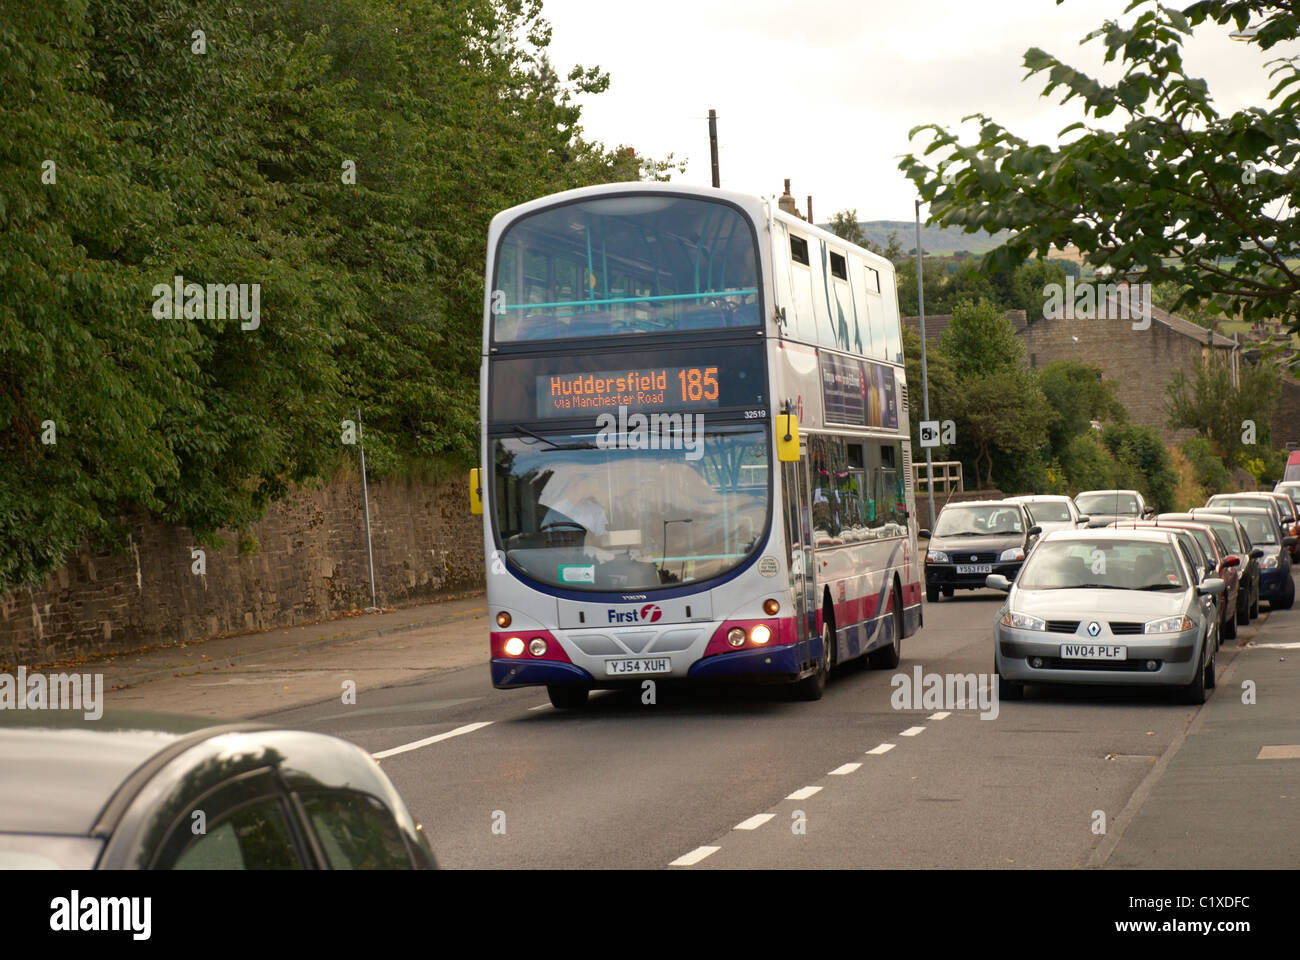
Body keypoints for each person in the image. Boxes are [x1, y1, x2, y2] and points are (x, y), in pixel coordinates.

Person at [540, 476, 609, 536]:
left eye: (578, 485)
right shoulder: (556, 509)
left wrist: (589, 535)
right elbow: (545, 535)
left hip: (588, 549)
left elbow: (601, 537)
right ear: (567, 488)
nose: (574, 489)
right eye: (573, 485)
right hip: (561, 549)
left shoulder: (597, 511)